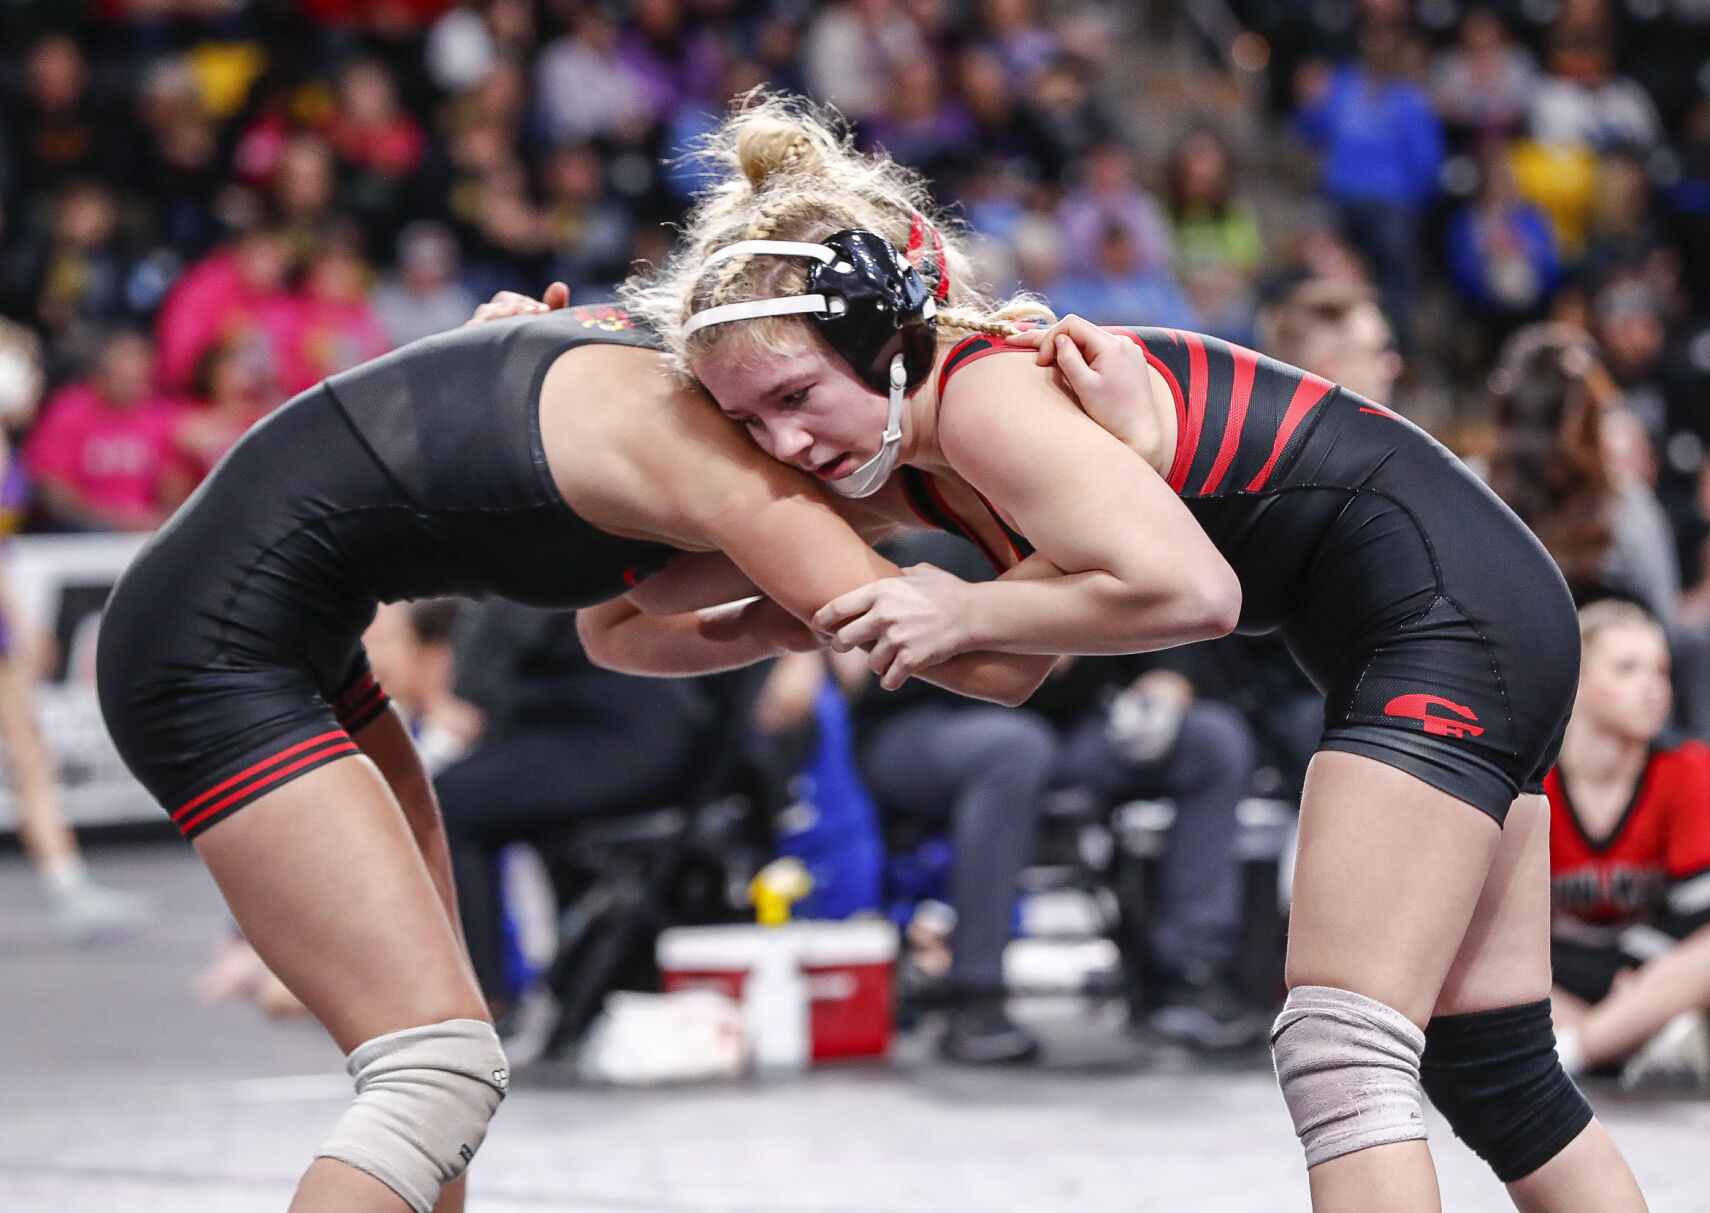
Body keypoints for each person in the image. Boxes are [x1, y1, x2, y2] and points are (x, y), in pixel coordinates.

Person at [607, 95, 1644, 1211]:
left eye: (796, 398)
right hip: (1479, 616)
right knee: (1498, 1074)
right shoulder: (912, 460)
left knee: (1344, 1051)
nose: (786, 446)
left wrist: (958, 609)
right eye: (748, 425)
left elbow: (1194, 592)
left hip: (1446, 621)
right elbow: (631, 621)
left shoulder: (991, 397)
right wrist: (768, 591)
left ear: (885, 336)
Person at [94, 292, 1054, 1213]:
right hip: (215, 646)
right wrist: (1044, 534)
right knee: (436, 1071)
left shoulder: (676, 365)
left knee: (449, 1064)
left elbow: (615, 634)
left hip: (278, 631)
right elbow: (1006, 669)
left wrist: (790, 615)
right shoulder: (731, 467)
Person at [1546, 601, 1710, 1085]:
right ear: (1574, 681)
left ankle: (1574, 1052)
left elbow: (1698, 916)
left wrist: (1642, 973)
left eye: (1660, 670)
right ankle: (1634, 1038)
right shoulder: (1529, 781)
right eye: (1626, 668)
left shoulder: (1685, 769)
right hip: (1554, 975)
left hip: (1652, 970)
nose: (1652, 686)